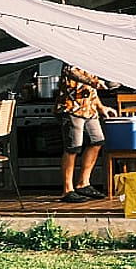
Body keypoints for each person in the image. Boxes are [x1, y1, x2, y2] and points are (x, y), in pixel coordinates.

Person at [54, 62, 116, 203]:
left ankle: (83, 183)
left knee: (97, 140)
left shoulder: (89, 58)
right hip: (71, 108)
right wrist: (93, 81)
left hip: (89, 109)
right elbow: (71, 71)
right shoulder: (70, 55)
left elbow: (91, 90)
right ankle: (67, 190)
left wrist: (101, 107)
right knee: (73, 147)